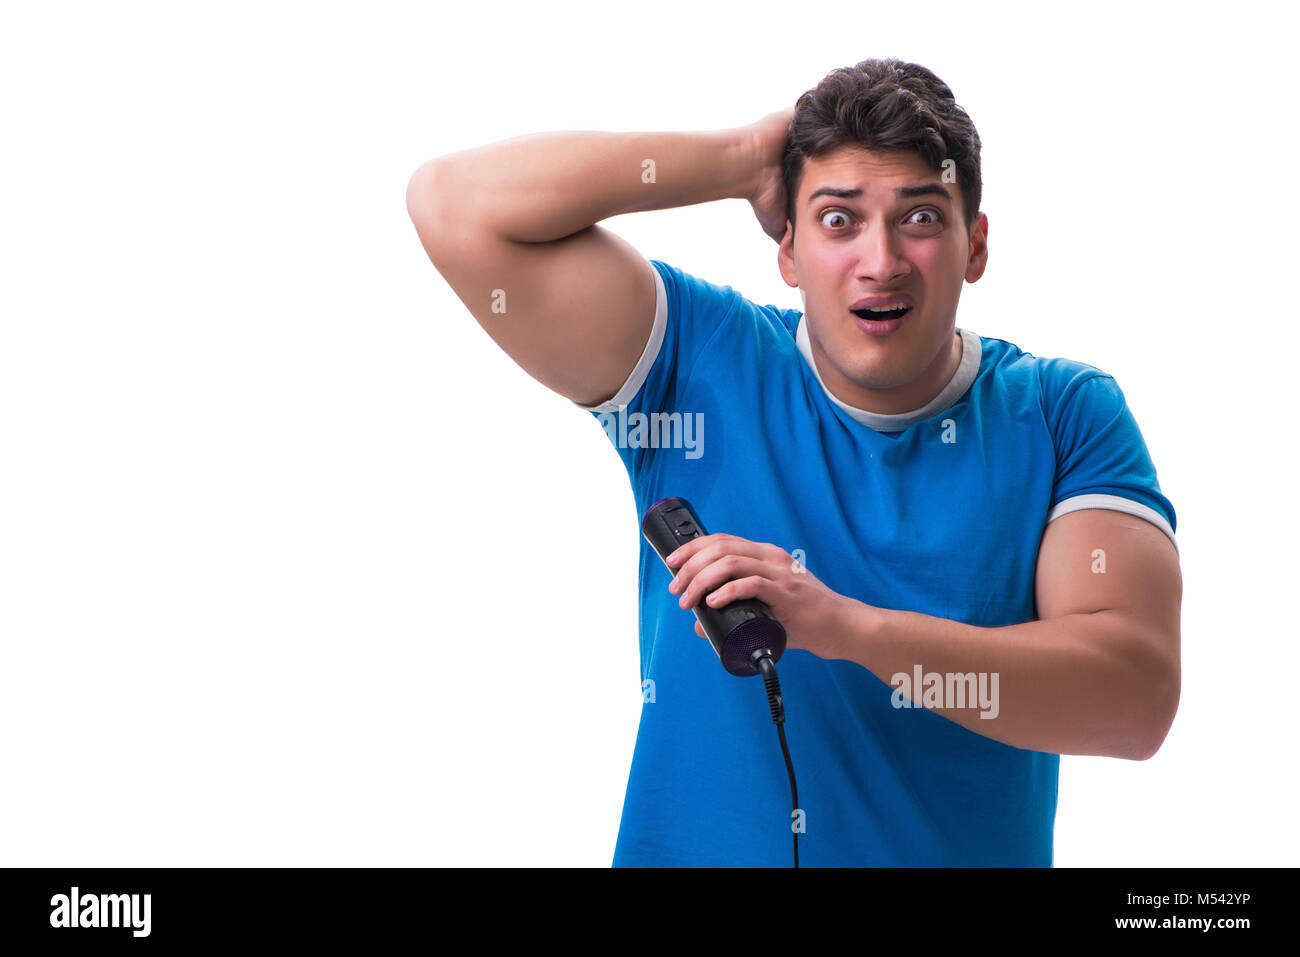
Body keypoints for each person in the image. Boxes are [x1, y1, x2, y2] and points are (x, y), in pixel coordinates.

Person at [405, 58, 1182, 867]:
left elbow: (1134, 700)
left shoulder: (1063, 411)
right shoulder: (695, 359)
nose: (880, 260)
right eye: (838, 221)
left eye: (919, 217)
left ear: (974, 245)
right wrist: (741, 158)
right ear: (788, 250)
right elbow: (452, 204)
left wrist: (844, 627)